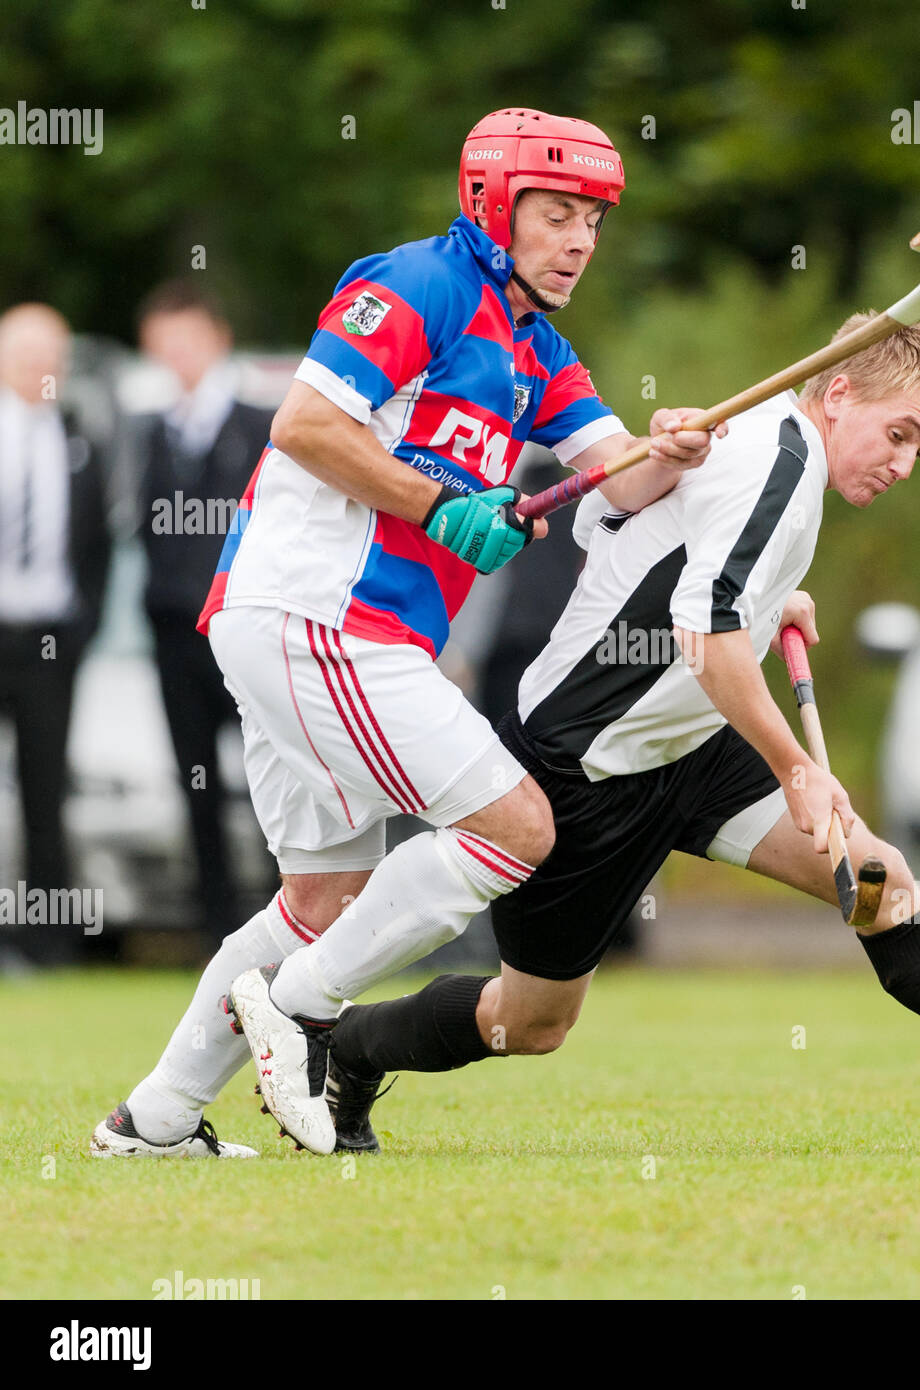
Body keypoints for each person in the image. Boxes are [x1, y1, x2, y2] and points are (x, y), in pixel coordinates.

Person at [237, 315, 920, 1156]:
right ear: (838, 391)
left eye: (918, 448)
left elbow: (621, 531)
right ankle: (350, 1047)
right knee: (533, 1022)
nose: (903, 462)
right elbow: (709, 641)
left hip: (686, 744)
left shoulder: (769, 446)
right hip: (585, 760)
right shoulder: (780, 458)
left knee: (872, 880)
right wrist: (796, 765)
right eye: (899, 434)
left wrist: (768, 604)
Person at [91, 107, 722, 1157]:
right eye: (557, 215)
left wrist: (678, 448)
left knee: (320, 899)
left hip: (318, 631)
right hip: (321, 614)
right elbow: (303, 423)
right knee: (517, 827)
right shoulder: (422, 283)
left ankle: (153, 1120)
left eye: (594, 222)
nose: (579, 242)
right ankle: (298, 1010)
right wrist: (437, 505)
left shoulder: (539, 346)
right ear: (491, 204)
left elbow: (620, 475)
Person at [135, 281, 278, 948]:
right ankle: (216, 926)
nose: (179, 353)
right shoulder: (150, 435)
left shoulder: (261, 425)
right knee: (195, 781)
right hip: (173, 633)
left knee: (270, 777)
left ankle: (290, 919)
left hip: (242, 628)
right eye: (166, 340)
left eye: (189, 336)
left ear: (218, 337)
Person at [0, 304, 111, 967]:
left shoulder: (77, 439)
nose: (48, 368)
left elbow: (96, 547)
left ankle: (46, 943)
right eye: (33, 354)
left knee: (45, 792)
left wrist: (81, 629)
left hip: (48, 643)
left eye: (56, 356)